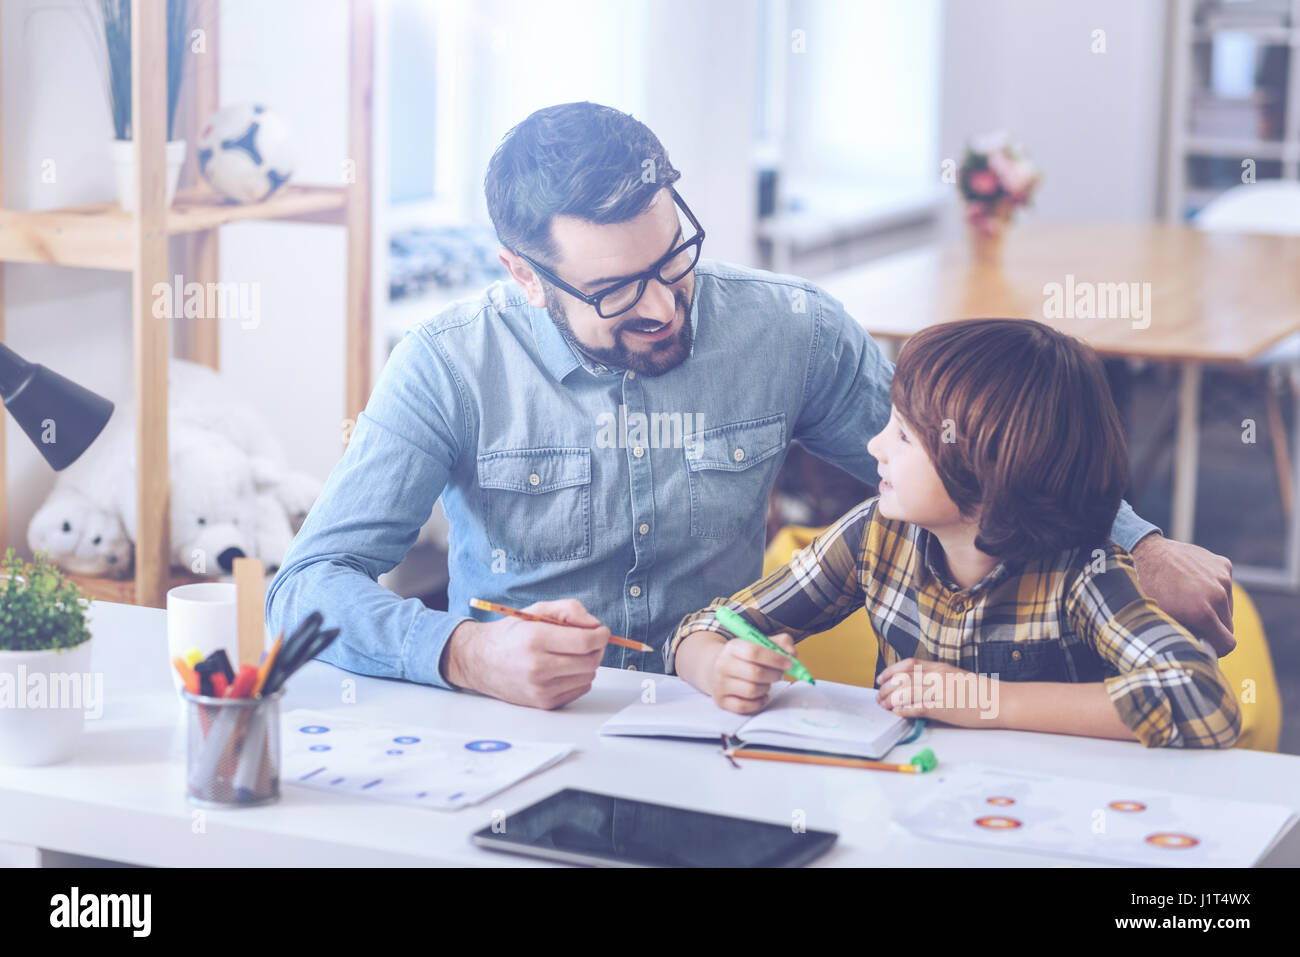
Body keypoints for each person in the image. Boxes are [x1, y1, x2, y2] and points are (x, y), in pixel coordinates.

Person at [266, 101, 1236, 711]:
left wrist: (1140, 543)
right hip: (519, 729)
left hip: (722, 727)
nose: (660, 305)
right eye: (613, 292)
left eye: (672, 259)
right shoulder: (444, 364)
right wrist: (467, 653)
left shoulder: (789, 332)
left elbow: (968, 461)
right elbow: (302, 588)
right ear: (523, 276)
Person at [668, 319, 1241, 748]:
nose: (874, 447)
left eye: (904, 438)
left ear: (989, 479)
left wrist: (987, 700)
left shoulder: (1083, 573)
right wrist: (716, 666)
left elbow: (1203, 699)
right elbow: (705, 626)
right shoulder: (873, 536)